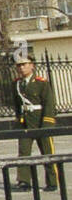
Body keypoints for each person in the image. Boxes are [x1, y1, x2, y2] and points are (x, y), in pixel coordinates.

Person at [14, 55, 58, 191]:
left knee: (47, 152)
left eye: (25, 64)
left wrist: (47, 123)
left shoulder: (41, 82)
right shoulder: (17, 84)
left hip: (41, 121)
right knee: (23, 153)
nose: (22, 67)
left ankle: (52, 181)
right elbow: (17, 105)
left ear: (32, 65)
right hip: (26, 122)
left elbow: (49, 103)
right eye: (19, 65)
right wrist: (18, 121)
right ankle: (24, 181)